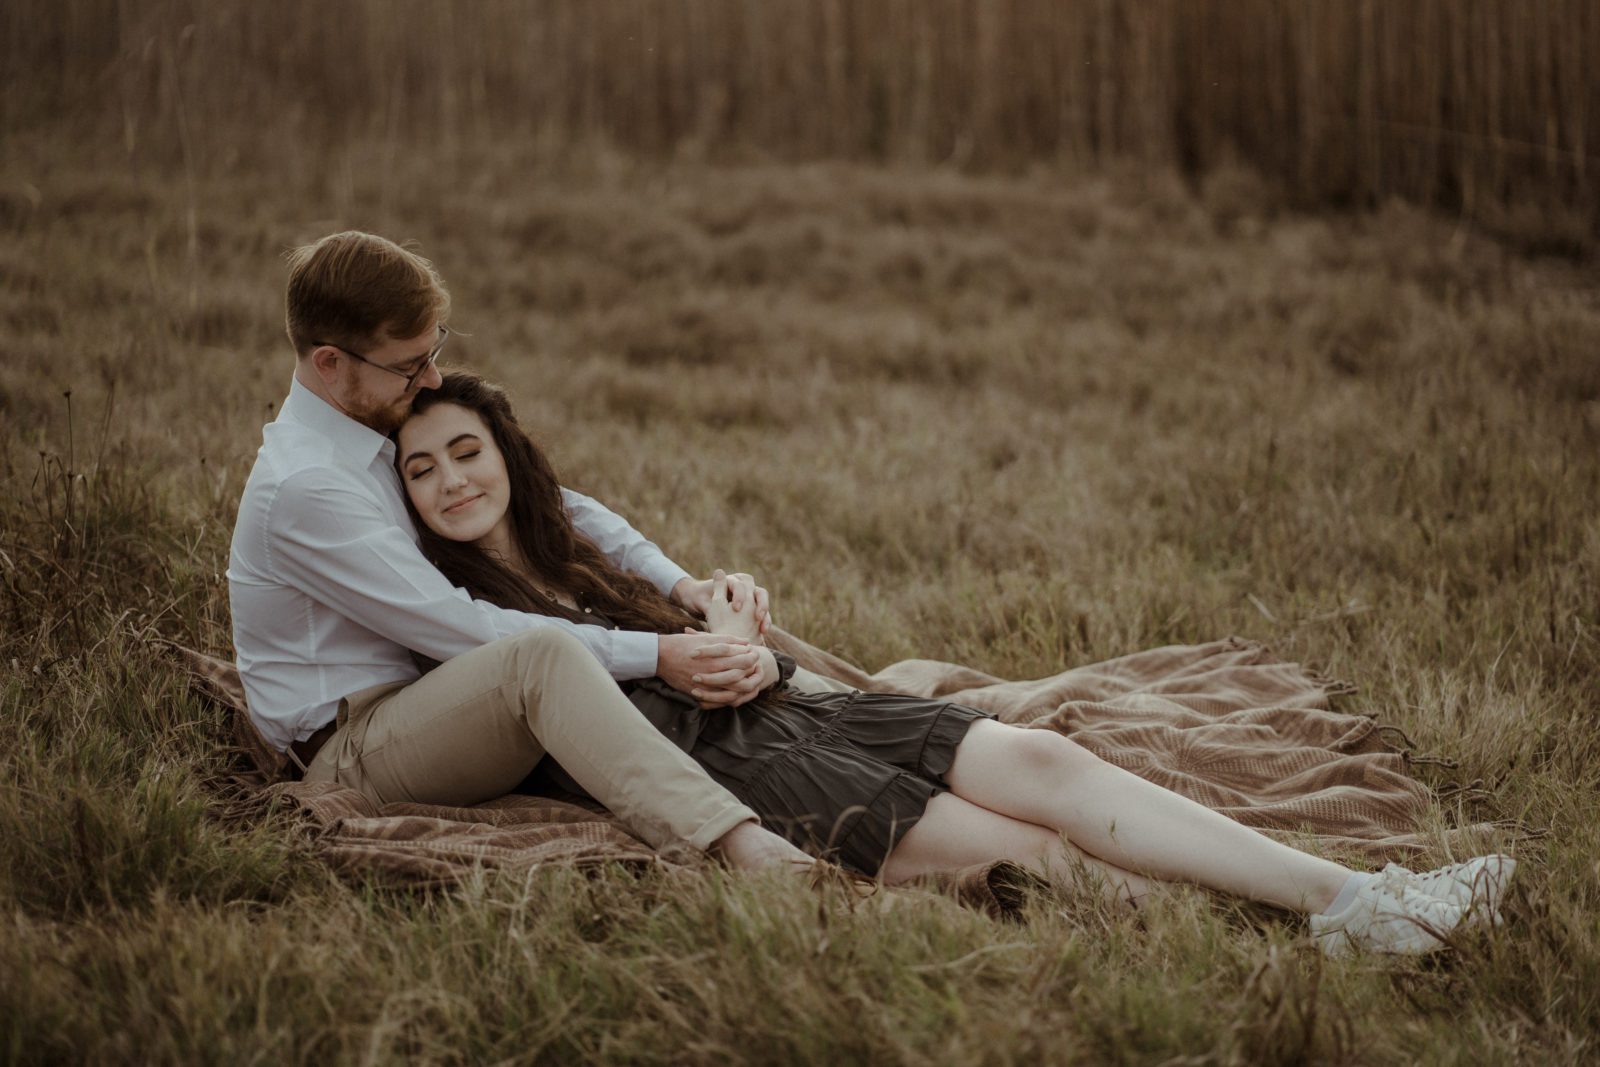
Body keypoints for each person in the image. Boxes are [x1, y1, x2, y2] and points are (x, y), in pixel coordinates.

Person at [395, 370, 1518, 957]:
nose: (451, 481)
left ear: (505, 454)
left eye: (466, 451)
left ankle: (1357, 898)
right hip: (731, 768)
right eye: (422, 470)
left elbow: (695, 607)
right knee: (1027, 850)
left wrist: (727, 616)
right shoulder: (445, 606)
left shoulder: (575, 541)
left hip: (802, 709)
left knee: (1040, 753)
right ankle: (1266, 941)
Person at [227, 230, 817, 872]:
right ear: (330, 364)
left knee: (669, 614)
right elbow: (458, 627)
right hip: (354, 749)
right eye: (409, 364)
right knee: (543, 657)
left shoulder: (374, 414)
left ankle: (861, 711)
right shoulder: (307, 487)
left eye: (435, 351)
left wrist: (683, 589)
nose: (431, 377)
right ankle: (739, 846)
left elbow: (550, 501)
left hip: (434, 697)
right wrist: (658, 656)